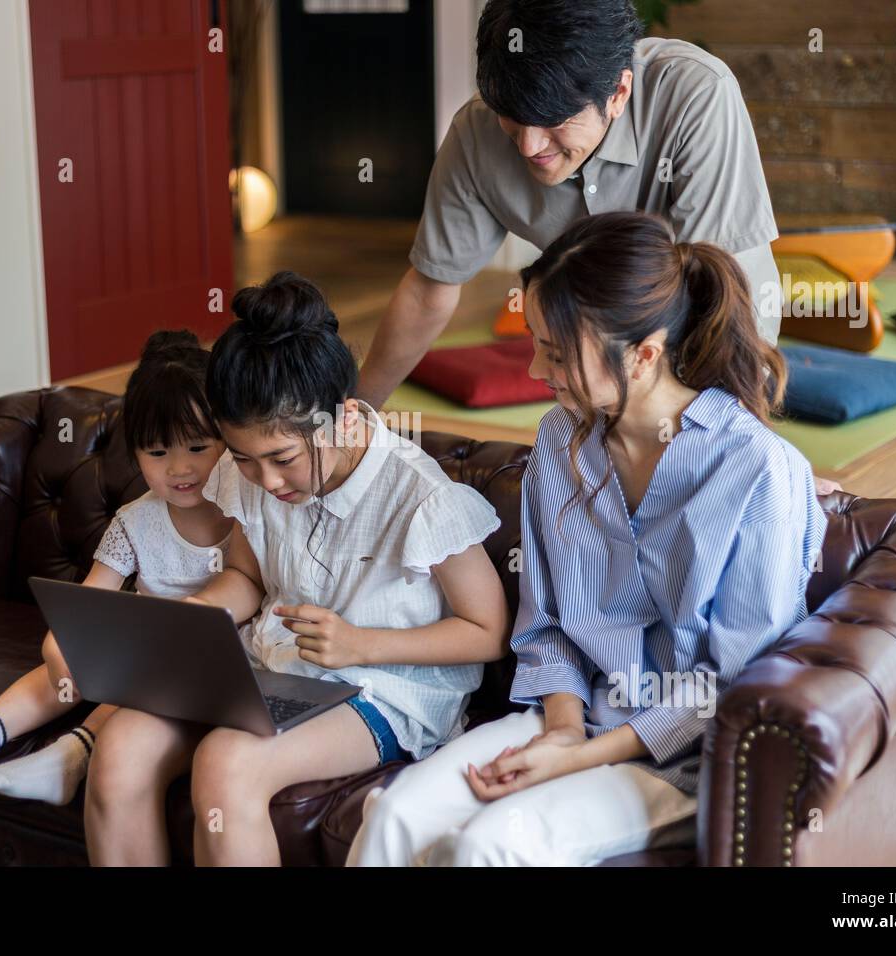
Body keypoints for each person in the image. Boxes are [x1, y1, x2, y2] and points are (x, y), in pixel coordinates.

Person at [348, 211, 826, 866]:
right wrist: (564, 732)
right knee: (396, 814)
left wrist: (583, 755)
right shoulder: (558, 441)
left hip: (678, 758)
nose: (537, 369)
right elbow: (545, 624)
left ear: (644, 353)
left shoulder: (759, 471)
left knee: (490, 846)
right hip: (571, 717)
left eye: (557, 351)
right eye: (537, 342)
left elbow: (734, 681)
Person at [83, 271, 509, 866]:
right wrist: (198, 614)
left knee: (227, 762)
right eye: (244, 461)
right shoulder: (250, 475)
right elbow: (246, 577)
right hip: (275, 668)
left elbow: (486, 632)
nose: (266, 482)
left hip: (383, 692)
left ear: (343, 418)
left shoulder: (418, 495)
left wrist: (360, 644)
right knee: (121, 746)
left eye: (282, 459)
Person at [357, 0, 781, 412]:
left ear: (619, 92)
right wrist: (351, 417)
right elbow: (430, 289)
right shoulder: (476, 132)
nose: (528, 146)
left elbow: (720, 289)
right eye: (512, 117)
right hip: (591, 363)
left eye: (554, 122)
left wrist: (735, 440)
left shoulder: (695, 93)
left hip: (717, 329)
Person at [0, 331, 234, 806]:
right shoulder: (136, 521)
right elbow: (87, 603)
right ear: (135, 453)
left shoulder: (247, 514)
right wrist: (60, 649)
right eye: (158, 453)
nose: (179, 469)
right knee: (65, 667)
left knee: (145, 670)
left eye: (198, 448)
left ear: (228, 438)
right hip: (145, 654)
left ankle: (69, 755)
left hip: (216, 662)